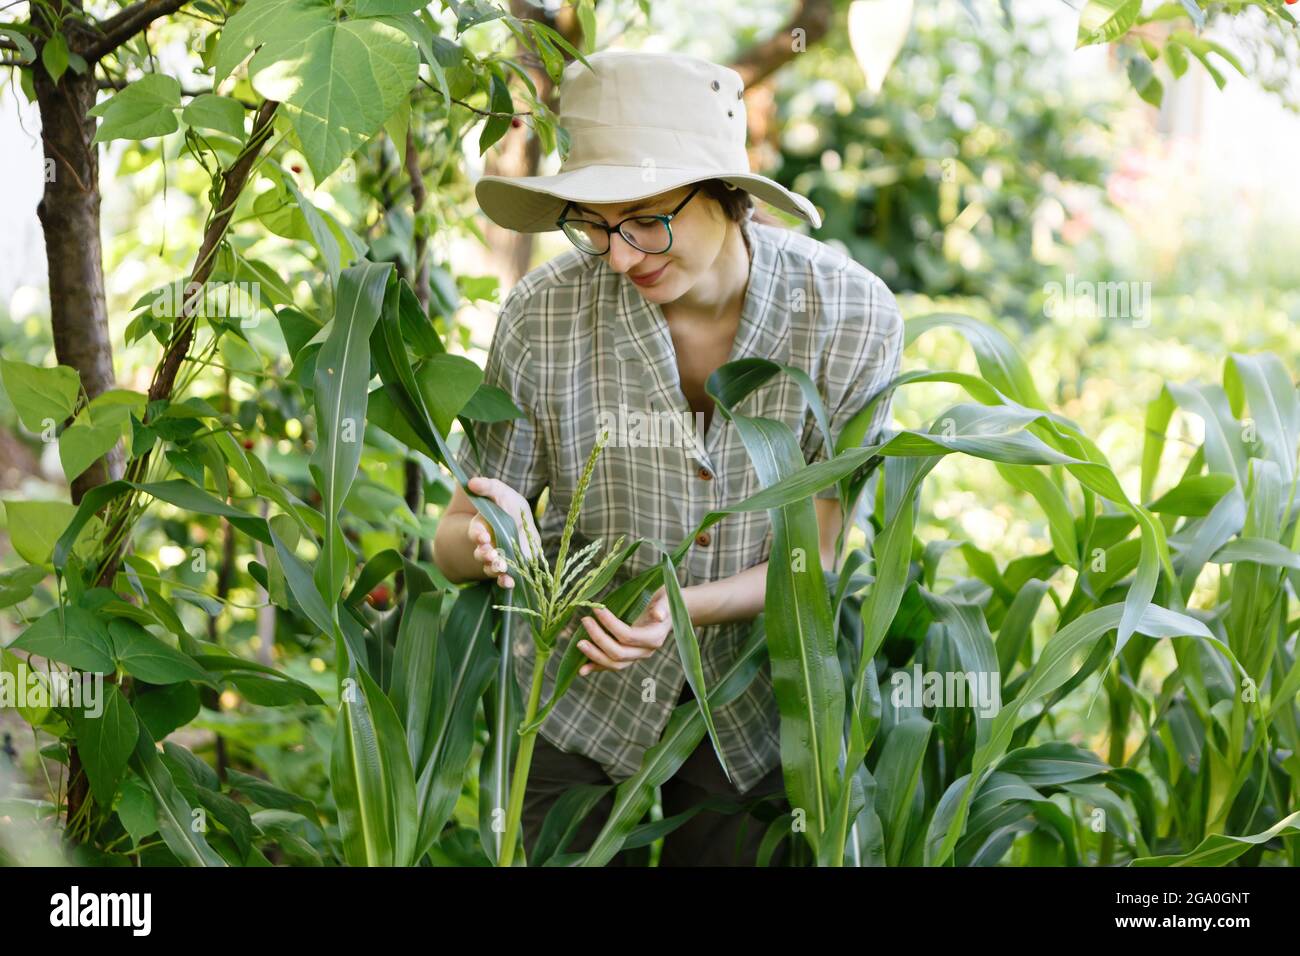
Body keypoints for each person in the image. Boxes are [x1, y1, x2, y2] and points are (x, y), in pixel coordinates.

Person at [433, 50, 903, 866]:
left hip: (752, 703)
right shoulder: (544, 316)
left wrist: (680, 610)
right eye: (591, 223)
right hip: (572, 697)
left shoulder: (850, 318)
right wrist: (483, 542)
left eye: (645, 219)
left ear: (730, 194)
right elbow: (452, 537)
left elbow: (816, 558)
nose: (618, 256)